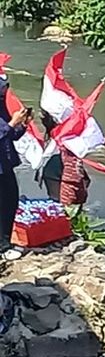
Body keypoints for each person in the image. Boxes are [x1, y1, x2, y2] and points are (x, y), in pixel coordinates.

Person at [0, 81, 29, 261]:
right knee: (4, 204)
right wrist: (12, 123)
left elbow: (11, 135)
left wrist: (23, 124)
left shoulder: (2, 109)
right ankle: (3, 247)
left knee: (10, 202)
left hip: (6, 163)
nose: (5, 93)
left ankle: (5, 242)